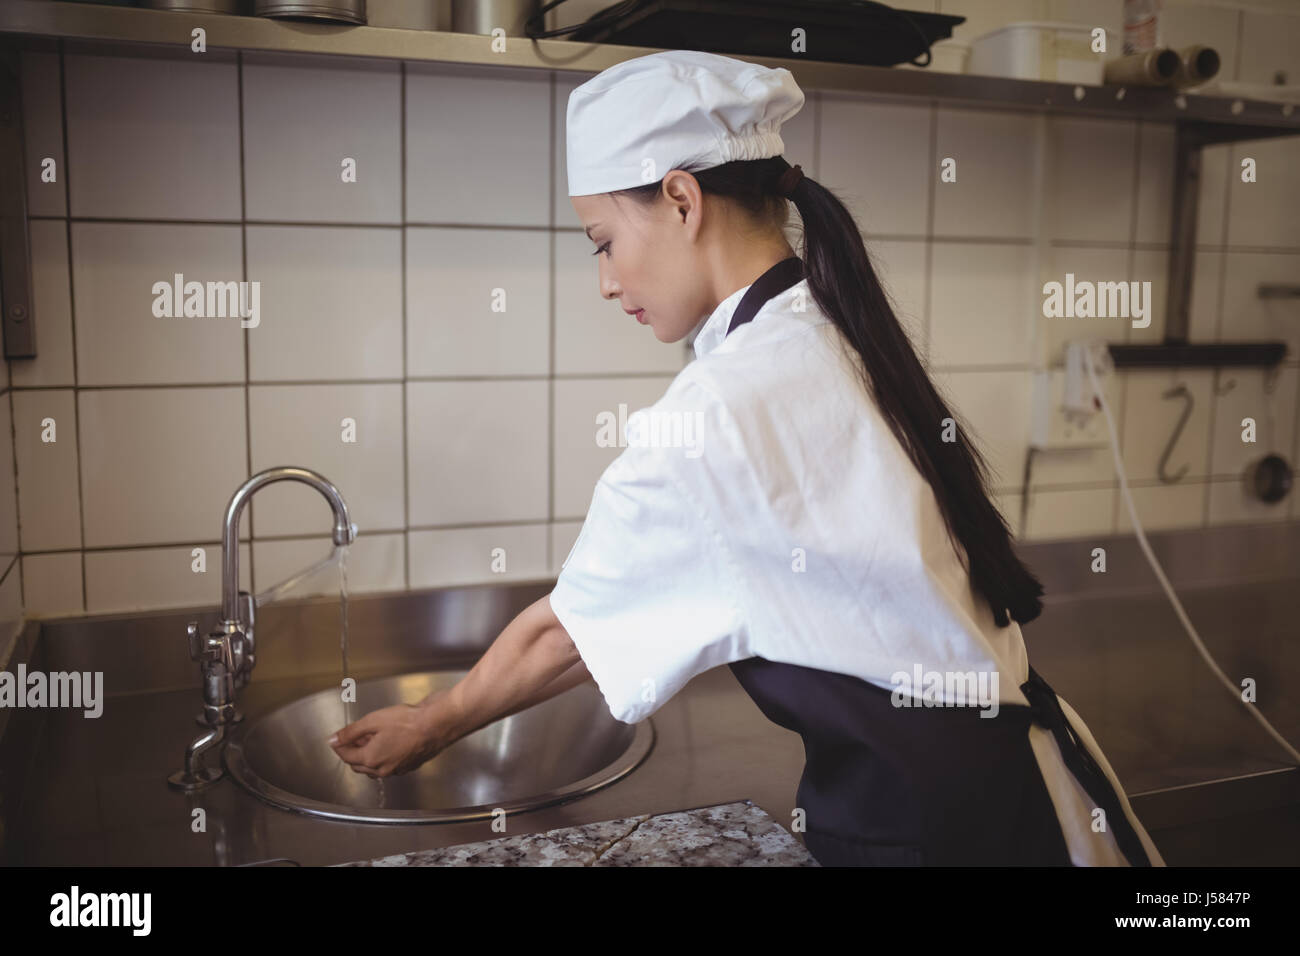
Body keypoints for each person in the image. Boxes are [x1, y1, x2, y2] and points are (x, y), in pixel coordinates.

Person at [330, 49, 1165, 868]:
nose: (606, 282)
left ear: (682, 199)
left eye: (602, 241)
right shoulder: (829, 327)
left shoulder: (721, 407)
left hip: (932, 824)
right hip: (996, 782)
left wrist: (432, 722)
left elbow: (568, 636)